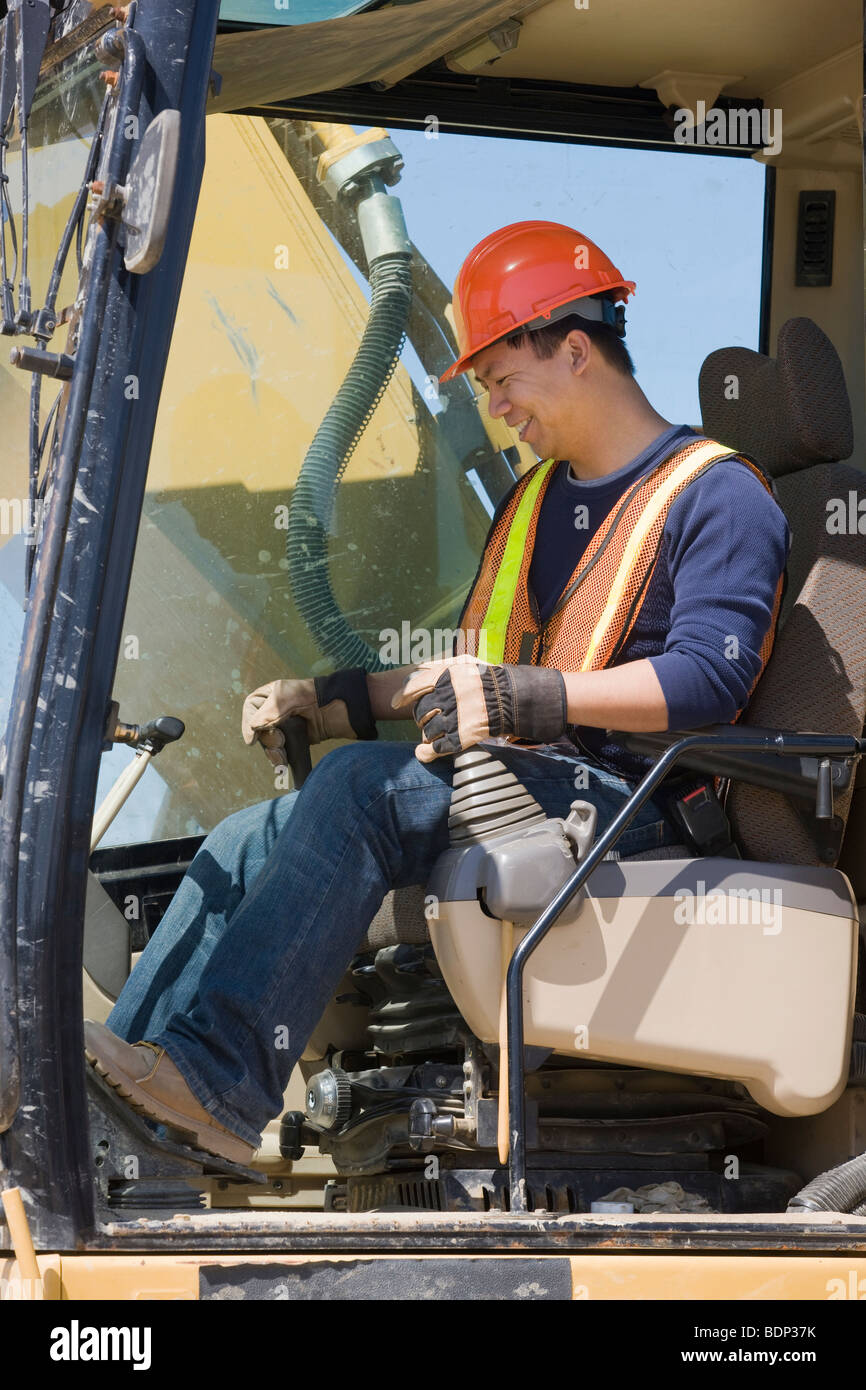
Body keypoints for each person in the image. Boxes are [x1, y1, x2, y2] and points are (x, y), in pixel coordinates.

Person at [84, 220, 789, 1166]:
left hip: (641, 803)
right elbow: (472, 671)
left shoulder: (718, 495)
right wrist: (330, 700)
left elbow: (711, 679)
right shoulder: (538, 502)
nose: (496, 407)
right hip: (529, 781)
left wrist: (534, 701)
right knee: (243, 838)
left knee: (362, 790)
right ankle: (111, 1104)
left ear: (575, 350)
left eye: (502, 379)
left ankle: (215, 1084)